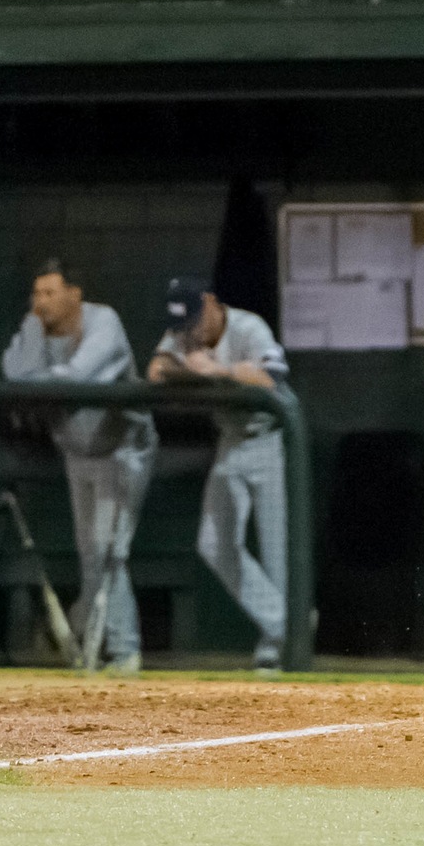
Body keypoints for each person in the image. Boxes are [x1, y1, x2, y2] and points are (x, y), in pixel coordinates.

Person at [3, 260, 158, 675]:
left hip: (122, 449)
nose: (41, 303)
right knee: (91, 552)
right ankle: (88, 640)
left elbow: (76, 377)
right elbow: (11, 374)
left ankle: (122, 649)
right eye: (36, 294)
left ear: (75, 294)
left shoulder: (103, 321)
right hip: (78, 452)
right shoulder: (36, 327)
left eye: (50, 293)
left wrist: (33, 378)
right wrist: (34, 333)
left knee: (109, 553)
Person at [147, 277, 288, 672]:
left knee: (277, 552)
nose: (190, 330)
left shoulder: (248, 326)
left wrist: (220, 370)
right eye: (183, 323)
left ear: (210, 302)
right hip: (230, 440)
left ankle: (279, 643)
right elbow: (156, 370)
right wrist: (189, 371)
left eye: (195, 319)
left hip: (269, 440)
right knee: (213, 544)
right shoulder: (184, 330)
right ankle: (283, 624)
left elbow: (272, 377)